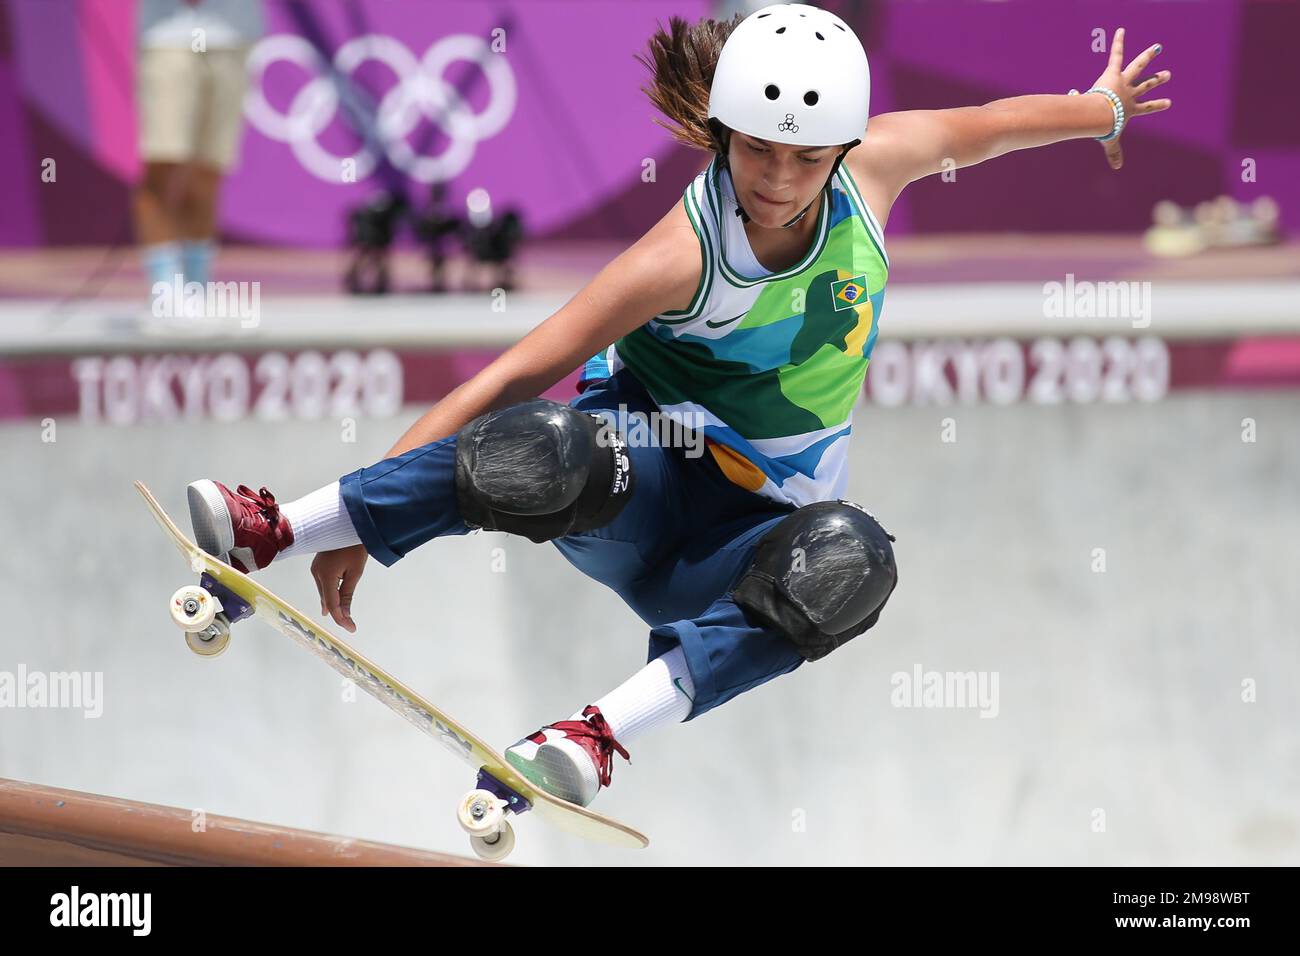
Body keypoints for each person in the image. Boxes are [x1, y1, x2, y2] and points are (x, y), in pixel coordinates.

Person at [183, 5, 1172, 807]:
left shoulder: (877, 165)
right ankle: (268, 528)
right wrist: (349, 516)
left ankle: (594, 736)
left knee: (854, 558)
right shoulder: (681, 255)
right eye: (756, 153)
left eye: (804, 156)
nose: (779, 181)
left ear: (843, 145)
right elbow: (504, 377)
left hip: (737, 546)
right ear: (720, 134)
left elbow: (995, 127)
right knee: (560, 444)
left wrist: (1104, 110)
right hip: (632, 490)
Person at [134, 0, 263, 300]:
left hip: (232, 36)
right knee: (165, 163)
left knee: (209, 170)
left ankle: (197, 289)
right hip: (167, 36)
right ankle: (165, 293)